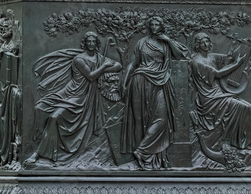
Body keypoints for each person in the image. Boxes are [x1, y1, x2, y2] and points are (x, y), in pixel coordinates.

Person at [25, 31, 122, 167]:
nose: (91, 44)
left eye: (94, 41)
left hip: (83, 97)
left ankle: (42, 154)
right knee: (40, 108)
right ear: (84, 43)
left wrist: (103, 67)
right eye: (88, 41)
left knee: (54, 118)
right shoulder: (79, 59)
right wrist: (105, 66)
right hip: (71, 93)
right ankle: (39, 142)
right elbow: (91, 76)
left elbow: (119, 66)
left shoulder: (99, 58)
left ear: (97, 44)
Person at [121, 15, 187, 169]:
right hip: (140, 80)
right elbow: (133, 63)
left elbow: (179, 55)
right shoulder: (141, 43)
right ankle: (140, 159)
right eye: (152, 24)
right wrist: (124, 83)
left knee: (162, 119)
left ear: (161, 26)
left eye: (157, 24)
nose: (154, 26)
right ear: (149, 26)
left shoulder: (165, 43)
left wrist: (169, 40)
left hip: (160, 82)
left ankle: (142, 150)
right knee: (139, 120)